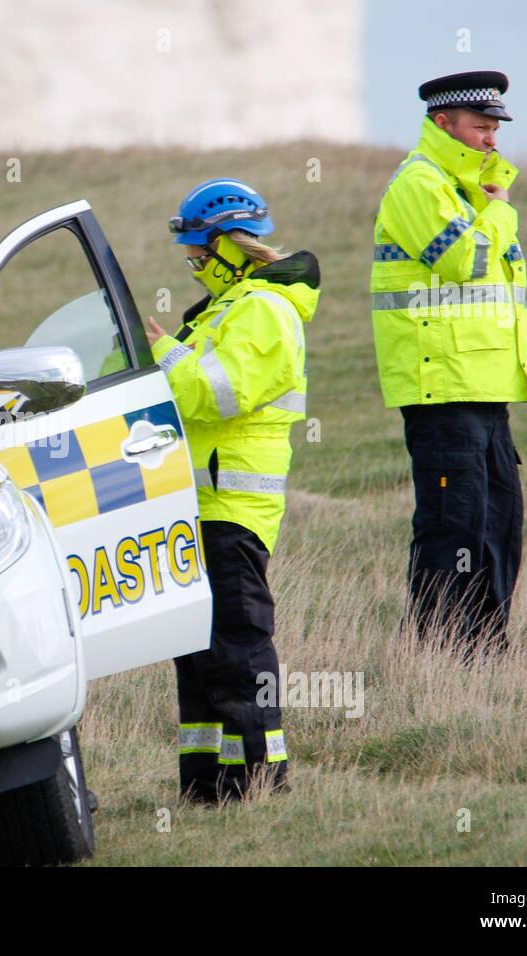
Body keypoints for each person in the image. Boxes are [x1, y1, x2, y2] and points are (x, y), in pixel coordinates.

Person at [145, 178, 319, 804]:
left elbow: (209, 395)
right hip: (199, 507)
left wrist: (160, 347)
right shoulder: (227, 308)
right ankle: (209, 784)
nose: (193, 267)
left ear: (229, 246)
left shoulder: (263, 311)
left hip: (232, 509)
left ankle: (262, 777)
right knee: (197, 653)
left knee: (237, 649)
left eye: (198, 255)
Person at [370, 71, 527, 658]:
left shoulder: (473, 192)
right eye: (479, 127)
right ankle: (443, 660)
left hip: (483, 388)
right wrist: (503, 214)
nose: (491, 139)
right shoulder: (420, 183)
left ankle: (485, 657)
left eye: (494, 129)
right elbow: (463, 260)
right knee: (454, 528)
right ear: (442, 124)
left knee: (498, 529)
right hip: (441, 386)